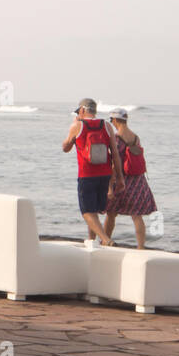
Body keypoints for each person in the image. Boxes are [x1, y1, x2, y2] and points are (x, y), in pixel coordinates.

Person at [63, 97, 124, 245]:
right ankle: (91, 240)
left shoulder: (77, 126)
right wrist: (120, 178)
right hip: (104, 174)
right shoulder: (107, 126)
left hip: (87, 174)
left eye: (79, 111)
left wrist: (73, 126)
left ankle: (106, 239)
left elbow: (65, 148)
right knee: (95, 210)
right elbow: (115, 153)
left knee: (87, 212)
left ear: (83, 110)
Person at [103, 108, 157, 249]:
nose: (112, 123)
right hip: (137, 181)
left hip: (120, 180)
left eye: (112, 120)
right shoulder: (135, 137)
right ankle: (141, 247)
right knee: (137, 216)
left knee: (111, 214)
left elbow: (114, 163)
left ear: (115, 120)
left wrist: (110, 186)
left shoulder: (115, 138)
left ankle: (105, 241)